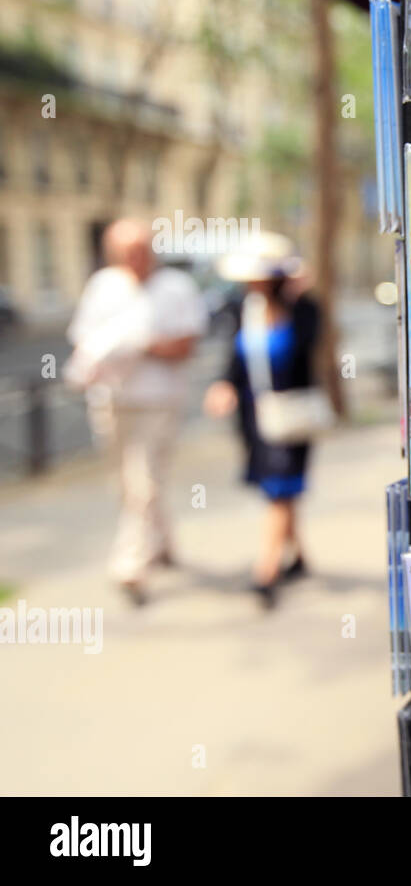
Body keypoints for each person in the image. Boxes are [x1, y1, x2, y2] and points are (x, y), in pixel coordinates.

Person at [66, 219, 208, 604]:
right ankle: (162, 542)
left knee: (143, 483)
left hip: (159, 402)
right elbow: (83, 337)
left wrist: (141, 345)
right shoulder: (103, 285)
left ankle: (130, 563)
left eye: (142, 250)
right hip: (112, 400)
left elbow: (186, 344)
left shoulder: (176, 287)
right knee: (128, 484)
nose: (136, 259)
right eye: (127, 252)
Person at [204, 234, 322, 610]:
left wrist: (294, 296)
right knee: (278, 490)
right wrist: (224, 386)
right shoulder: (244, 310)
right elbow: (235, 361)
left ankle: (265, 572)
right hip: (255, 417)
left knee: (280, 489)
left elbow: (310, 343)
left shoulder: (303, 311)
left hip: (291, 415)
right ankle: (298, 556)